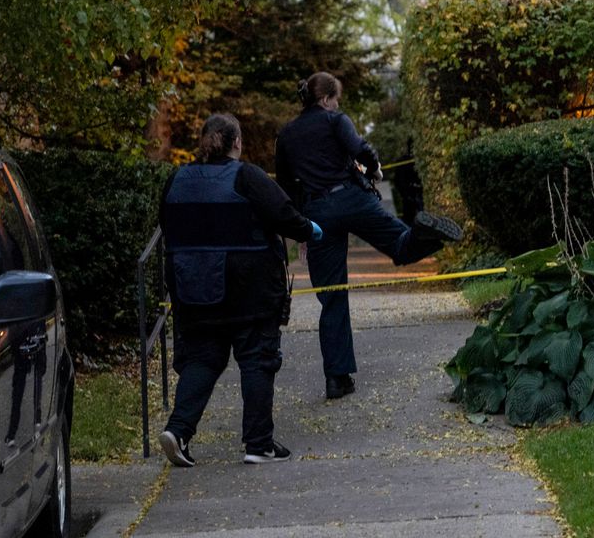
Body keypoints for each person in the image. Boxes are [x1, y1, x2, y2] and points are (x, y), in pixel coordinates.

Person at [276, 71, 463, 400]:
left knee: (332, 295)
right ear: (326, 99)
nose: (337, 105)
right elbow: (361, 149)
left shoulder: (287, 135)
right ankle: (422, 230)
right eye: (336, 100)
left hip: (317, 212)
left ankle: (337, 379)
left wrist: (302, 227)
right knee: (401, 246)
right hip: (352, 199)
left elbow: (285, 185)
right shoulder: (336, 120)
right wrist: (375, 169)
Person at [159, 113, 322, 467]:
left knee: (203, 358)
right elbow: (283, 214)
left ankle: (178, 430)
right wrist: (310, 230)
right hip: (249, 288)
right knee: (257, 358)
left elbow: (166, 225)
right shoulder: (247, 176)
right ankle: (259, 443)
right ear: (236, 142)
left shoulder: (177, 179)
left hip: (193, 288)